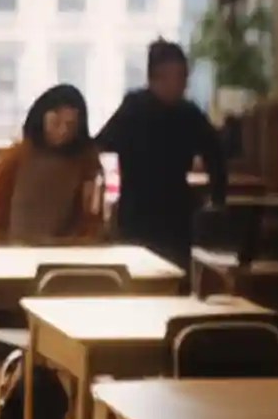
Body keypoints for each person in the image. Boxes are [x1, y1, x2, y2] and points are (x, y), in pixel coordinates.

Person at [97, 39, 227, 273]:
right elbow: (100, 145)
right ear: (156, 77)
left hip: (174, 209)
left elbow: (216, 154)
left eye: (183, 77)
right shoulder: (134, 108)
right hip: (137, 209)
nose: (181, 84)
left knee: (176, 275)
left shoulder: (189, 113)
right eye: (175, 76)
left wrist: (217, 198)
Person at [0, 84, 104, 245]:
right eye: (56, 122)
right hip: (14, 252)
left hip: (67, 253)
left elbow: (91, 219)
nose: (63, 131)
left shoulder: (87, 163)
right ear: (41, 117)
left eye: (70, 125)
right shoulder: (15, 157)